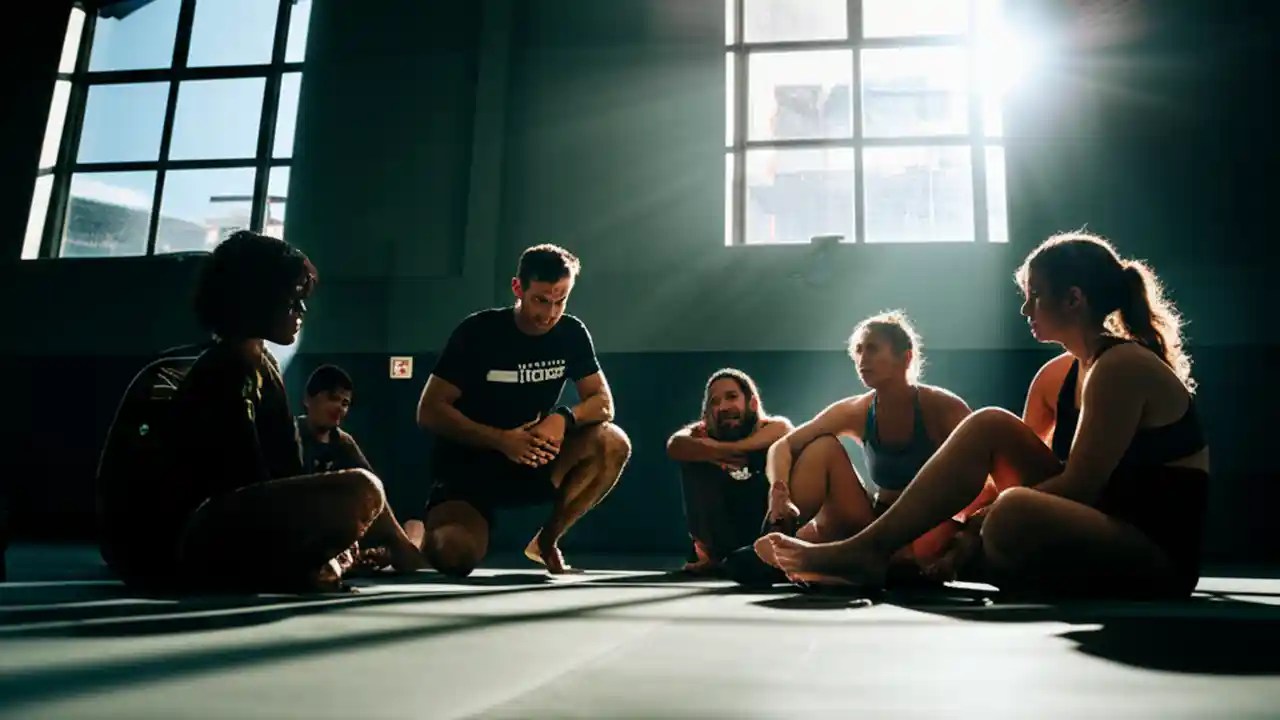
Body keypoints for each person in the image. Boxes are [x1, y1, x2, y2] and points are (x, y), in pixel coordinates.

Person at [759, 232, 1209, 599]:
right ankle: (883, 553)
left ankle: (881, 556)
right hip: (1094, 526)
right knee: (990, 425)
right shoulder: (1057, 375)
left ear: (1074, 299)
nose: (1025, 309)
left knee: (1011, 514)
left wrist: (978, 522)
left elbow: (1080, 487)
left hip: (1153, 555)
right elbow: (1008, 473)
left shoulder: (1121, 366)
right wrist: (953, 528)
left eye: (1035, 296)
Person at [96, 230, 424, 593]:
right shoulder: (227, 366)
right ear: (258, 298)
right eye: (292, 300)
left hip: (200, 533)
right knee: (363, 489)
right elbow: (243, 481)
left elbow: (285, 471)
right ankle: (347, 560)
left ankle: (369, 554)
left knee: (354, 493)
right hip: (177, 546)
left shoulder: (261, 365)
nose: (301, 312)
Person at [411, 244, 632, 576]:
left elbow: (603, 402)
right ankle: (414, 535)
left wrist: (563, 417)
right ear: (518, 288)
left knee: (612, 441)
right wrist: (502, 440)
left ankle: (547, 541)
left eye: (560, 300)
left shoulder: (571, 333)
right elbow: (429, 411)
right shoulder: (478, 331)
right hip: (468, 469)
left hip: (532, 460)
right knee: (454, 556)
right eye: (540, 300)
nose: (550, 313)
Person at [738, 312, 986, 586]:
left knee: (911, 559)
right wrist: (779, 493)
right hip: (872, 522)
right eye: (858, 350)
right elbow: (783, 445)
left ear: (905, 357)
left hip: (924, 527)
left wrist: (959, 537)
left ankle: (839, 566)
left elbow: (985, 484)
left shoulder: (940, 407)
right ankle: (779, 538)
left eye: (872, 348)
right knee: (822, 447)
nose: (862, 358)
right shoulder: (857, 410)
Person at [666, 369, 793, 573]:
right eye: (714, 402)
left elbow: (784, 428)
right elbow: (675, 444)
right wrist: (719, 451)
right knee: (693, 457)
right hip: (720, 541)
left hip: (765, 538)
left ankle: (770, 552)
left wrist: (736, 449)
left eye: (732, 397)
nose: (723, 407)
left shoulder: (772, 429)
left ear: (752, 402)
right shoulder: (700, 435)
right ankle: (713, 556)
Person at [296, 364, 372, 475]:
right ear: (308, 399)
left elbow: (367, 481)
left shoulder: (345, 443)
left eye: (345, 403)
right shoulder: (289, 435)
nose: (340, 407)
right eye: (333, 398)